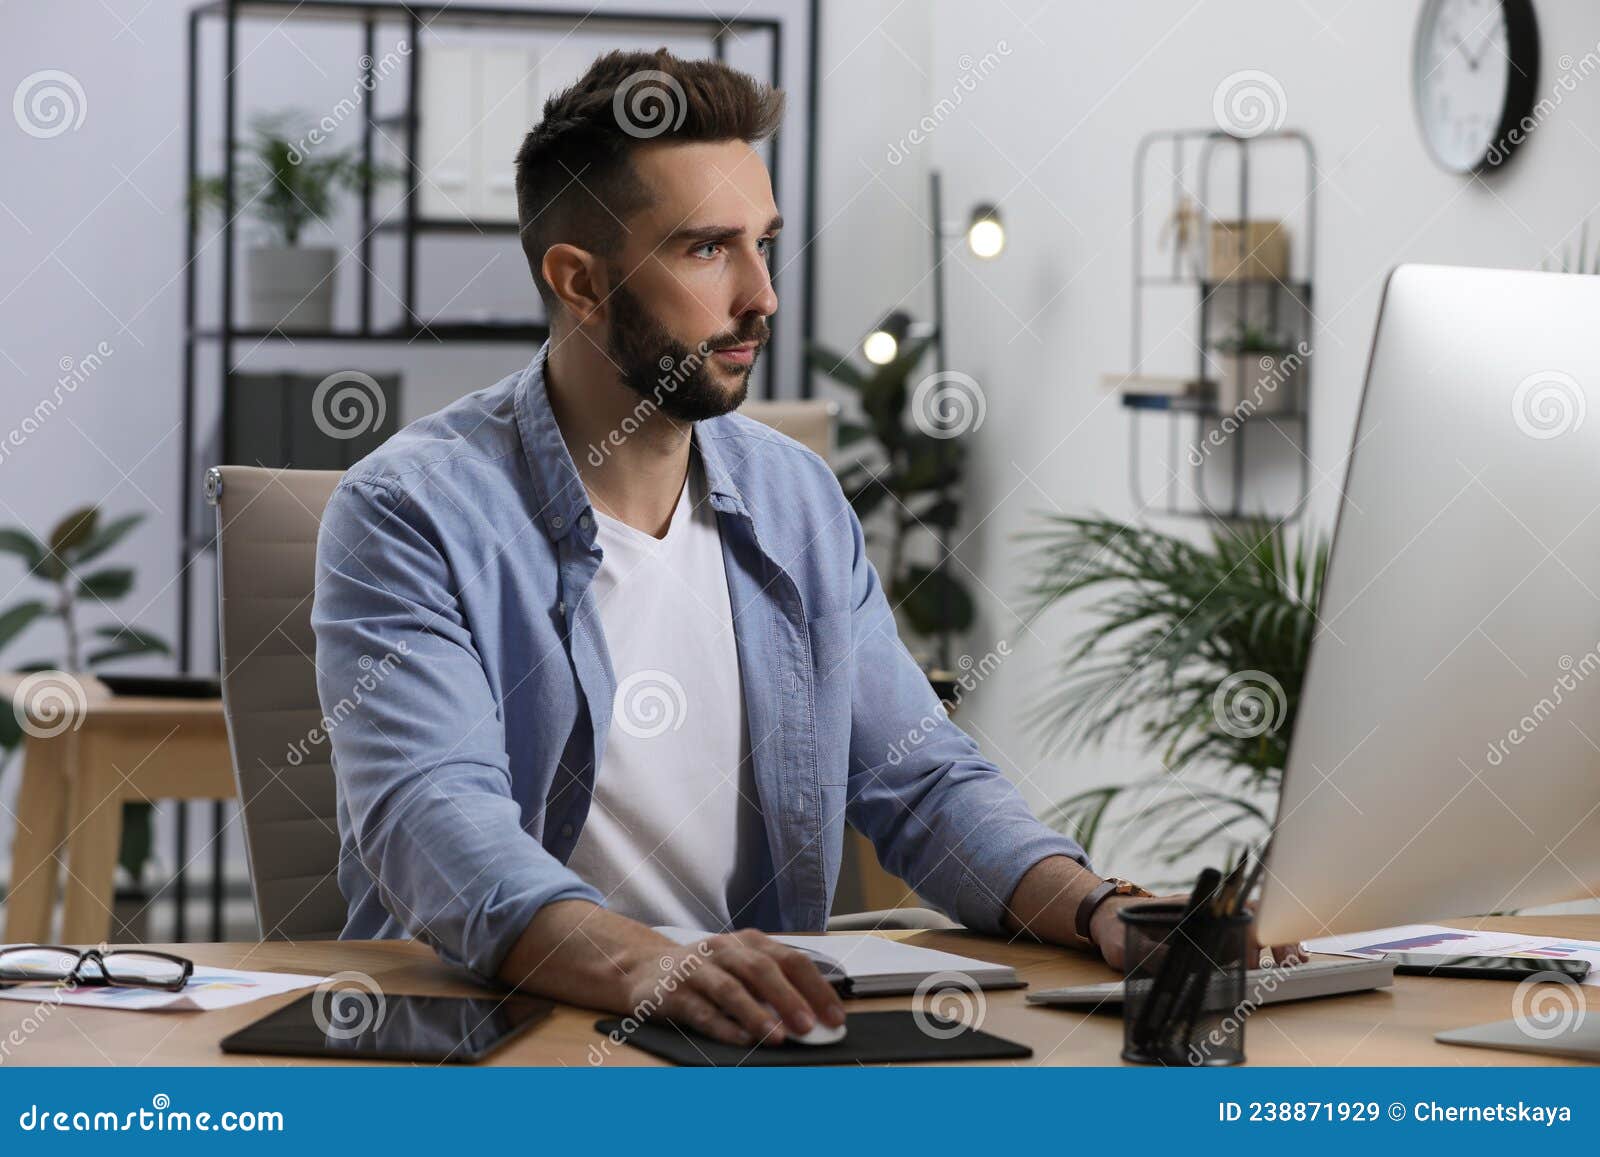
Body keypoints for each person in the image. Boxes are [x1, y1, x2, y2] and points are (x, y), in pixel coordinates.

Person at [310, 47, 1302, 1049]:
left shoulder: (795, 498)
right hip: (507, 1047)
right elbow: (433, 816)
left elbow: (918, 777)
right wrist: (651, 962)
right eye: (707, 249)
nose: (761, 295)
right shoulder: (411, 511)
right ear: (578, 280)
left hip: (753, 1042)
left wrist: (1099, 908)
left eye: (765, 243)